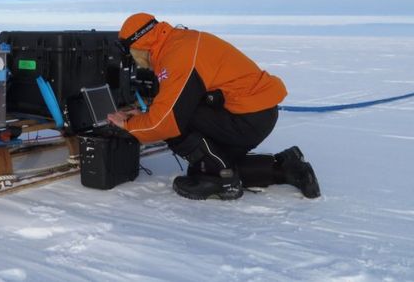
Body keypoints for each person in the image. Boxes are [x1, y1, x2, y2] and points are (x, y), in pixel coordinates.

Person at [107, 13, 320, 200]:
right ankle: (286, 167)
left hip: (248, 118)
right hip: (254, 112)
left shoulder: (178, 54)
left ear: (139, 46)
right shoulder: (178, 43)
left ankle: (221, 181)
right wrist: (146, 113)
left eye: (131, 55)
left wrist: (128, 124)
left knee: (180, 124)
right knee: (205, 166)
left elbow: (167, 120)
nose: (134, 62)